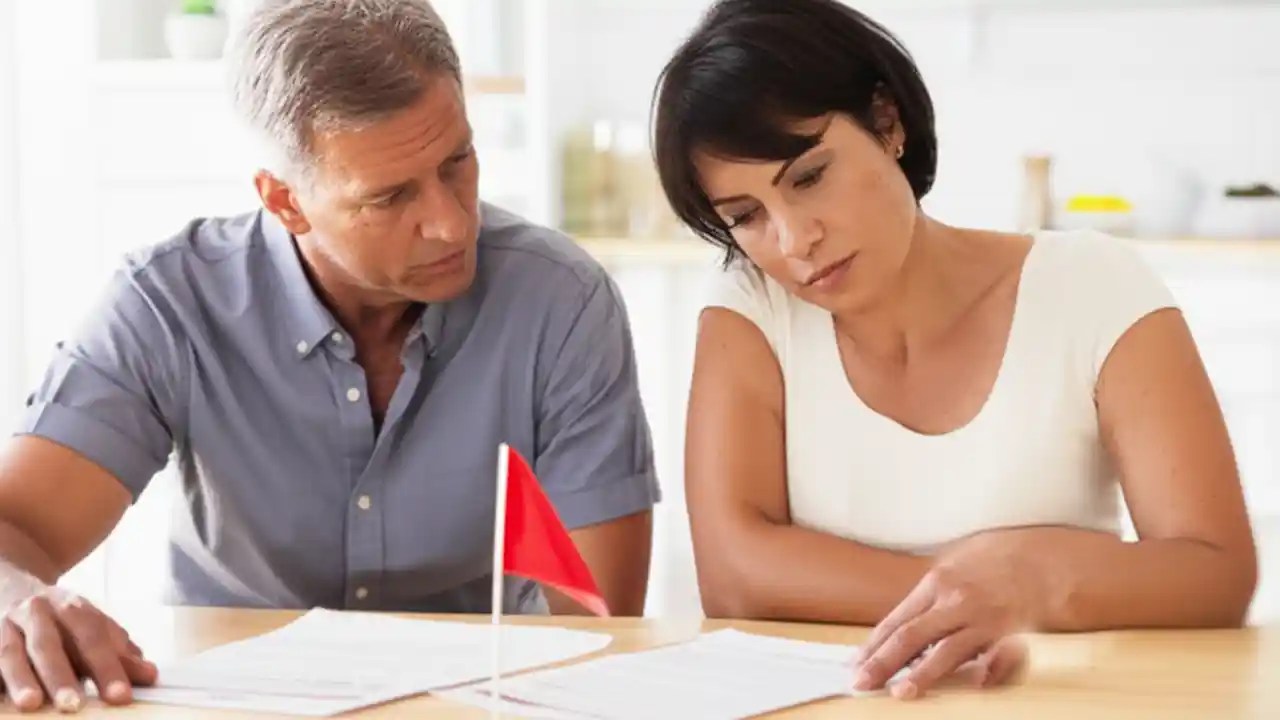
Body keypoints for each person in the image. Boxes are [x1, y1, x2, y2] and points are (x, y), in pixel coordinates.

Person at [0, 0, 659, 712]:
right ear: (285, 201)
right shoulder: (167, 304)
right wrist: (17, 596)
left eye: (457, 162)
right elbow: (20, 531)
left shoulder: (561, 302)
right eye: (390, 196)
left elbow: (598, 627)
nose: (449, 221)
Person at [652, 0, 1257, 701]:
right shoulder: (750, 305)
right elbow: (734, 576)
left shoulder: (1093, 288)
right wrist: (992, 594)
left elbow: (1215, 574)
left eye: (810, 176)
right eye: (746, 217)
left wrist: (1033, 578)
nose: (793, 241)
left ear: (887, 123)